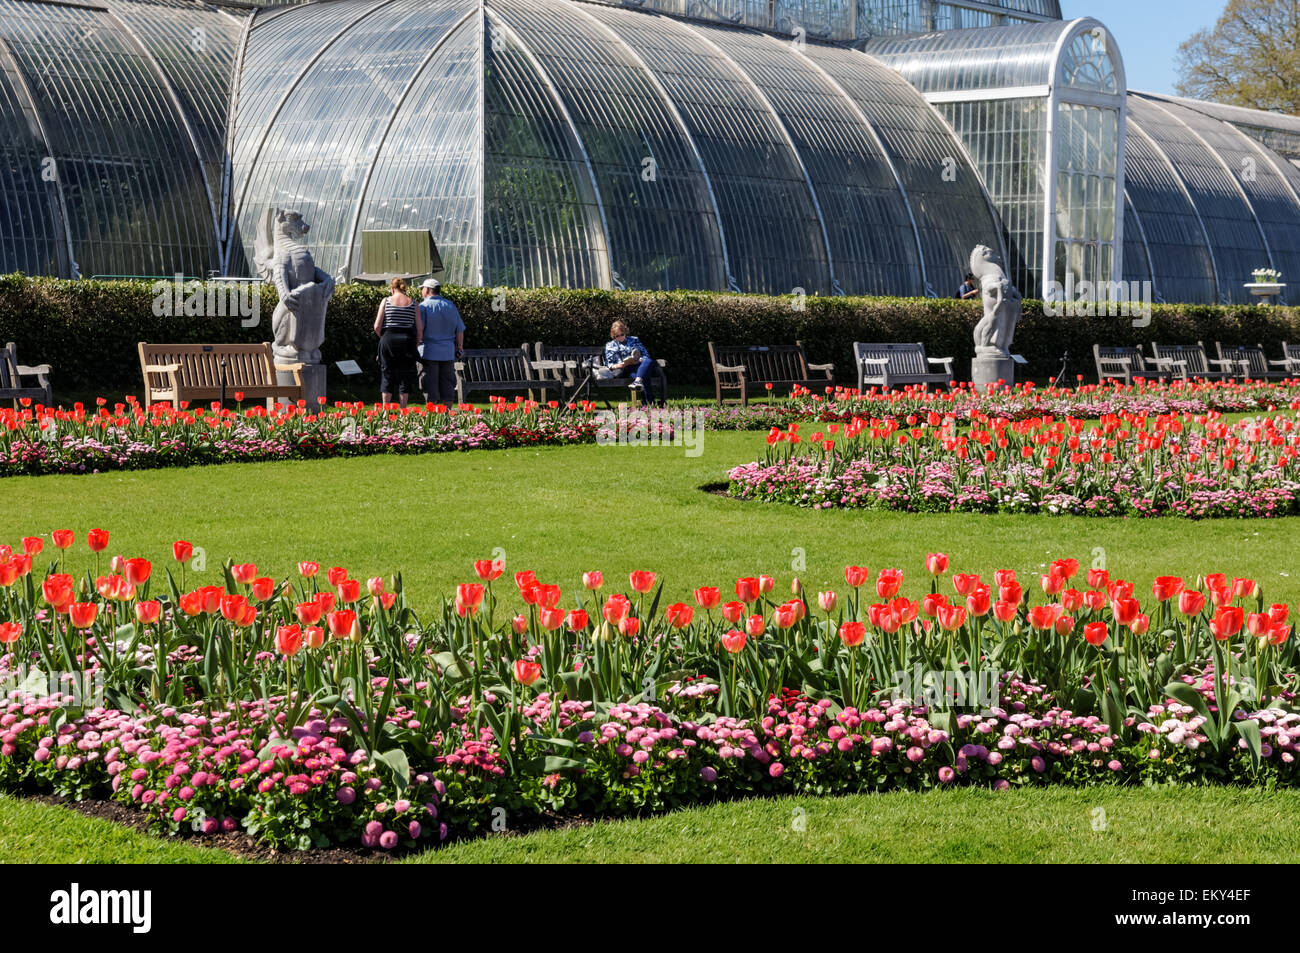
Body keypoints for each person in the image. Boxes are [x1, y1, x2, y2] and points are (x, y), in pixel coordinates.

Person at [373, 277, 422, 407]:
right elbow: (419, 328)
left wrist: (383, 338)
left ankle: (385, 411)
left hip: (388, 339)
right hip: (407, 341)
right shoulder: (413, 303)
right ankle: (403, 410)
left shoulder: (386, 301)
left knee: (387, 374)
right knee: (404, 376)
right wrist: (415, 344)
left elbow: (377, 326)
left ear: (392, 288)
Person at [417, 278, 465, 404]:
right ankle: (447, 416)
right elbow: (459, 329)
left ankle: (433, 417)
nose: (422, 291)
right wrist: (459, 347)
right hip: (448, 353)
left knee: (430, 385)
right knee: (447, 385)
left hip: (429, 352)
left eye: (422, 289)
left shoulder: (423, 307)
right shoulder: (450, 305)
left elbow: (419, 330)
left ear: (427, 290)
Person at [604, 320, 657, 406]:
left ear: (625, 332)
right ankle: (649, 402)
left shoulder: (634, 340)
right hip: (627, 368)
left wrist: (639, 359)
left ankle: (637, 382)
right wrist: (619, 365)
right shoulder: (610, 345)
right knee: (644, 375)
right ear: (613, 336)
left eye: (622, 334)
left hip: (640, 364)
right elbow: (609, 364)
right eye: (617, 336)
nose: (621, 337)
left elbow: (646, 355)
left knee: (648, 361)